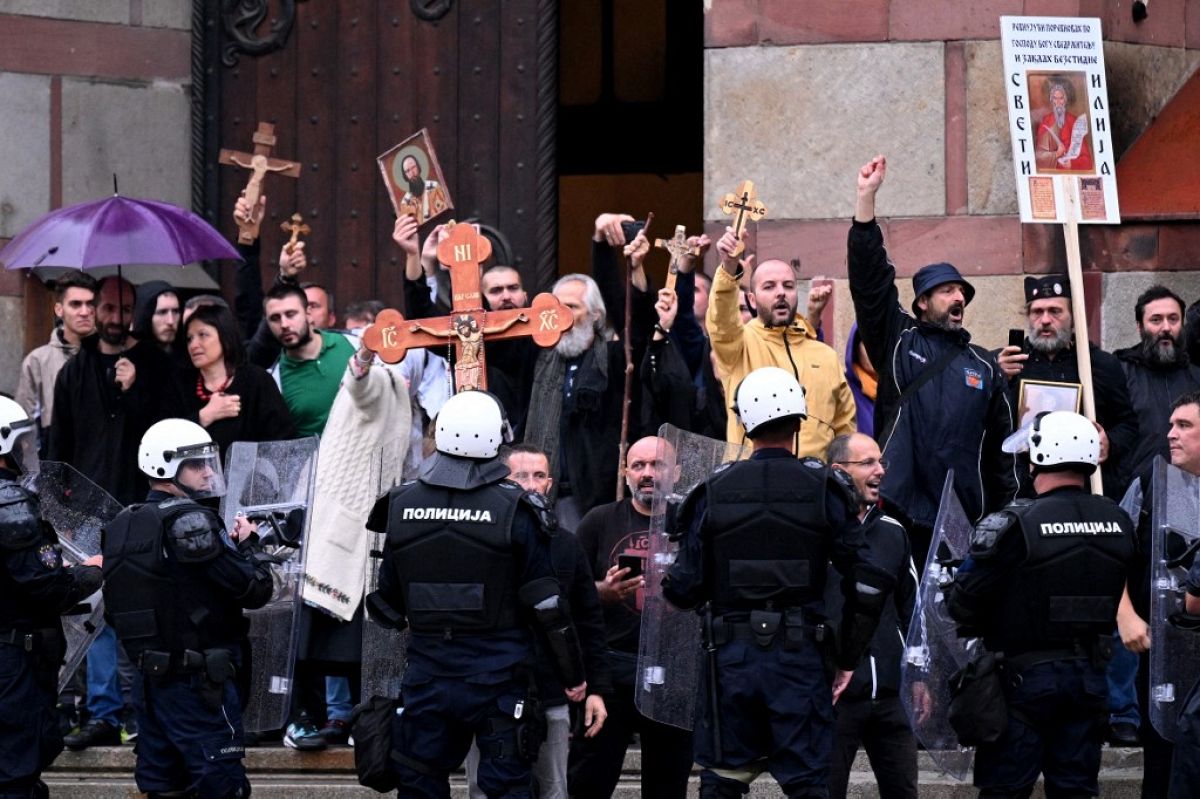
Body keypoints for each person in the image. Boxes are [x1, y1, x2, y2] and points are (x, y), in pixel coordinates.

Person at [661, 367, 892, 798]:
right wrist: (846, 656)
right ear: (800, 420)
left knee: (725, 778)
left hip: (730, 661)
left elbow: (682, 588)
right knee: (807, 782)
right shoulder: (826, 489)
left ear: (745, 422)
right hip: (801, 658)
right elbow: (869, 583)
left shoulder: (710, 491)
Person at [364, 390, 587, 797]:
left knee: (419, 783)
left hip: (428, 676)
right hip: (498, 679)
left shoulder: (400, 505)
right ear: (497, 439)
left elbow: (386, 602)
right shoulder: (519, 510)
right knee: (504, 788)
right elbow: (548, 607)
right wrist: (574, 675)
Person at [946, 410, 1136, 798]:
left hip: (1024, 682)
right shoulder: (1119, 520)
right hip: (1089, 679)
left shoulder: (1016, 523)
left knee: (1005, 789)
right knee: (1077, 789)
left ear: (1038, 457)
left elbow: (963, 602)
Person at [848, 155, 1017, 570]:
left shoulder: (984, 366)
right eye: (946, 291)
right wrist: (865, 204)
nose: (958, 298)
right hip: (899, 508)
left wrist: (1001, 516)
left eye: (961, 292)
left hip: (961, 518)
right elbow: (871, 282)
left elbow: (1001, 452)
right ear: (922, 302)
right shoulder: (898, 339)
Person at [101, 419, 273, 797]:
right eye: (197, 464)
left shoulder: (122, 524)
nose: (208, 471)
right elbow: (254, 590)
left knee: (163, 787)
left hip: (150, 684)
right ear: (164, 467)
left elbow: (118, 611)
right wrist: (250, 547)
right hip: (197, 684)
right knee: (222, 788)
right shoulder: (189, 520)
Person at [51, 275, 185, 750]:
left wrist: (135, 389)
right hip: (89, 512)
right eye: (104, 307)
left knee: (145, 610)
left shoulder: (155, 363)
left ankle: (144, 708)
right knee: (97, 611)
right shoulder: (74, 371)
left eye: (121, 308)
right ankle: (105, 710)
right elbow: (60, 445)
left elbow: (173, 427)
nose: (111, 317)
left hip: (142, 507)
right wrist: (61, 508)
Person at [463, 443, 610, 799]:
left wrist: (598, 689)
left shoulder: (567, 545)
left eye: (539, 475)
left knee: (554, 789)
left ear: (550, 483)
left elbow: (588, 620)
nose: (531, 484)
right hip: (489, 690)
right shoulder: (477, 538)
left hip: (552, 691)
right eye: (521, 475)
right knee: (481, 789)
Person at [562, 433, 693, 798]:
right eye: (638, 466)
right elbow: (568, 593)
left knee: (668, 788)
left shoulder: (693, 524)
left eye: (657, 465)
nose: (648, 473)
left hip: (674, 679)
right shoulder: (599, 521)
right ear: (625, 473)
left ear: (677, 472)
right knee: (589, 783)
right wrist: (600, 592)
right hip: (610, 677)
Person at [523, 265, 691, 530]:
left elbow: (637, 327)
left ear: (595, 316)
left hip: (597, 502)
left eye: (571, 307)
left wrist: (627, 263)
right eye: (555, 308)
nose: (561, 316)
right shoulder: (536, 359)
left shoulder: (615, 359)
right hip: (540, 495)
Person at [0, 396, 104, 798]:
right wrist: (91, 572)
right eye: (24, 442)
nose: (31, 451)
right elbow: (43, 585)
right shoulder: (9, 502)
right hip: (12, 662)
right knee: (16, 775)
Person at [706, 226, 856, 457]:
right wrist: (728, 267)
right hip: (754, 482)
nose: (781, 293)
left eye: (788, 286)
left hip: (814, 484)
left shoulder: (824, 355)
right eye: (769, 286)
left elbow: (844, 428)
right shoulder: (740, 344)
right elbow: (721, 321)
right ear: (752, 300)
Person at [825, 433, 919, 799]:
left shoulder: (894, 532)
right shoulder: (816, 532)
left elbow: (913, 609)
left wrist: (919, 676)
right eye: (867, 463)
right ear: (839, 472)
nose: (880, 470)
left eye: (881, 462)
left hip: (893, 700)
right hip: (835, 700)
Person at [1117, 391, 1200, 797]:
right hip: (1164, 652)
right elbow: (1110, 556)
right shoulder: (1151, 481)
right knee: (1162, 770)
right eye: (1170, 425)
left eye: (1184, 426)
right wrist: (1125, 615)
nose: (1171, 435)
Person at [996, 275, 1139, 500]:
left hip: (1084, 492)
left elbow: (1128, 424)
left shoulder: (1100, 365)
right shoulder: (1008, 363)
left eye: (1055, 311)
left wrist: (1109, 442)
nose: (1045, 320)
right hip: (1022, 493)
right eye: (1037, 312)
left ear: (1073, 317)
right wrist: (996, 377)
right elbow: (987, 426)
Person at [181, 303, 296, 457]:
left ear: (225, 337)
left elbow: (283, 440)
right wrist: (204, 416)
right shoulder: (180, 384)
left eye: (203, 335)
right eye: (189, 339)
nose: (194, 345)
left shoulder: (256, 380)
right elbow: (165, 442)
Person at [1115, 285, 1200, 480]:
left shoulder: (1196, 377)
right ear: (1139, 326)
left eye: (1173, 319)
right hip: (1134, 498)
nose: (1166, 328)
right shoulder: (1119, 373)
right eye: (1156, 320)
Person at [16, 272, 97, 457]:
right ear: (59, 309)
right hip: (55, 462)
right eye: (75, 304)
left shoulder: (113, 355)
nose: (84, 312)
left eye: (90, 303)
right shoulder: (37, 361)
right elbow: (24, 427)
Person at [1035, 80, 1093, 172]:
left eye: (1061, 98)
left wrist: (1072, 164)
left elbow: (1087, 161)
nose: (1058, 102)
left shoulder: (1074, 121)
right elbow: (1038, 158)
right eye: (1055, 98)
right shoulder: (1045, 122)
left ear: (1065, 100)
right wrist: (1056, 154)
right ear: (1051, 100)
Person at [131, 281, 182, 355]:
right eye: (162, 312)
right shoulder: (126, 358)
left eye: (175, 311)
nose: (170, 321)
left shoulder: (190, 359)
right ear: (145, 315)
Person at [397, 153, 449, 225]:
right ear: (405, 176)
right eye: (407, 171)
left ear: (418, 167)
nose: (412, 173)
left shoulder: (434, 187)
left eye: (413, 167)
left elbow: (445, 211)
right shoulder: (405, 202)